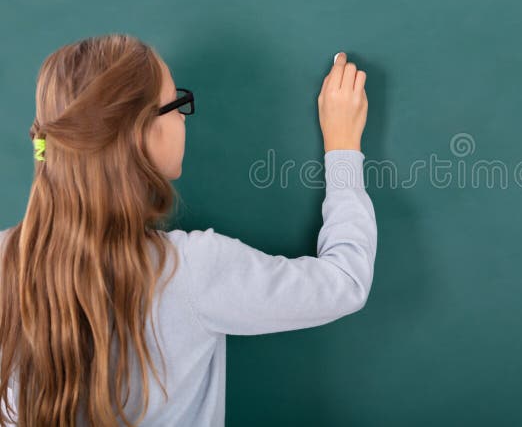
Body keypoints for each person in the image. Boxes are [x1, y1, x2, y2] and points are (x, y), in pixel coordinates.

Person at [0, 34, 377, 426]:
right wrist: (343, 146)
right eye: (176, 105)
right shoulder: (190, 270)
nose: (182, 118)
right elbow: (345, 280)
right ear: (140, 132)